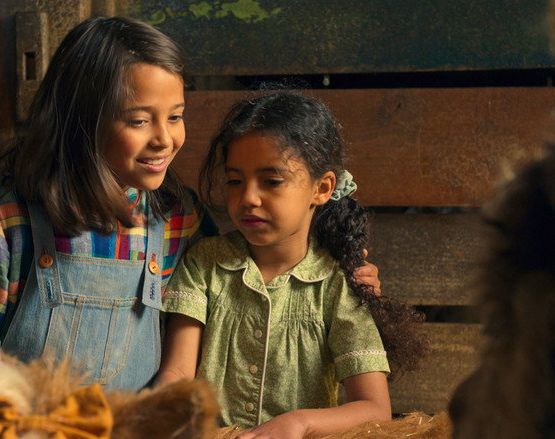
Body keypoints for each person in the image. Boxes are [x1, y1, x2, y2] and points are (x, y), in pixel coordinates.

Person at [0, 16, 216, 391]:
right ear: (83, 121)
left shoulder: (178, 218)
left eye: (175, 117)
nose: (164, 139)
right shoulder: (3, 218)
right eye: (139, 121)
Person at [156, 92, 426, 438]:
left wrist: (299, 423)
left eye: (272, 181)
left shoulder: (338, 286)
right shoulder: (204, 264)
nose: (248, 197)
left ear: (322, 188)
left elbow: (375, 408)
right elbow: (177, 374)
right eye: (235, 181)